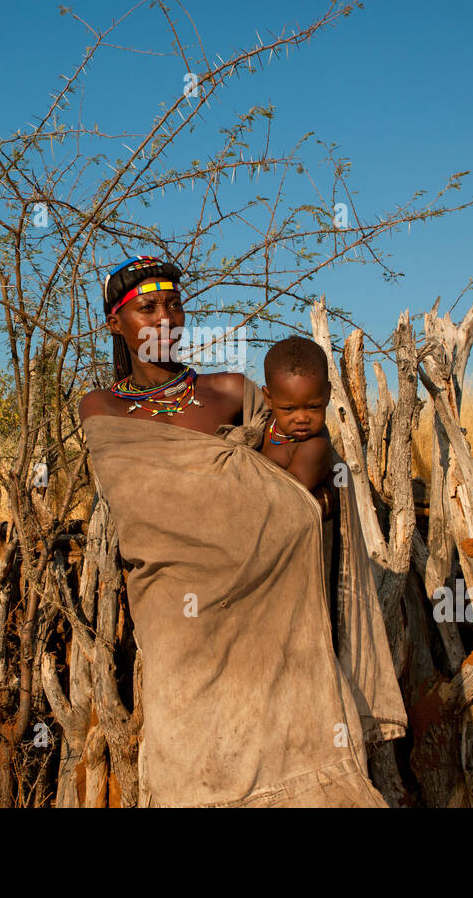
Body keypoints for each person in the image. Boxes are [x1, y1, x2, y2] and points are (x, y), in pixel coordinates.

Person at [78, 253, 406, 807]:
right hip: (175, 617)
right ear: (115, 324)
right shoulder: (101, 409)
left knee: (291, 744)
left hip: (269, 610)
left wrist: (308, 507)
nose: (164, 318)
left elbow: (295, 459)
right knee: (189, 758)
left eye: (173, 304)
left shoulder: (229, 391)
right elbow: (146, 511)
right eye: (146, 308)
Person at [258, 335, 339, 521]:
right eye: (289, 409)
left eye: (313, 407)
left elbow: (287, 499)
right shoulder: (268, 423)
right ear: (269, 399)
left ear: (327, 395)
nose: (302, 418)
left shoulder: (314, 446)